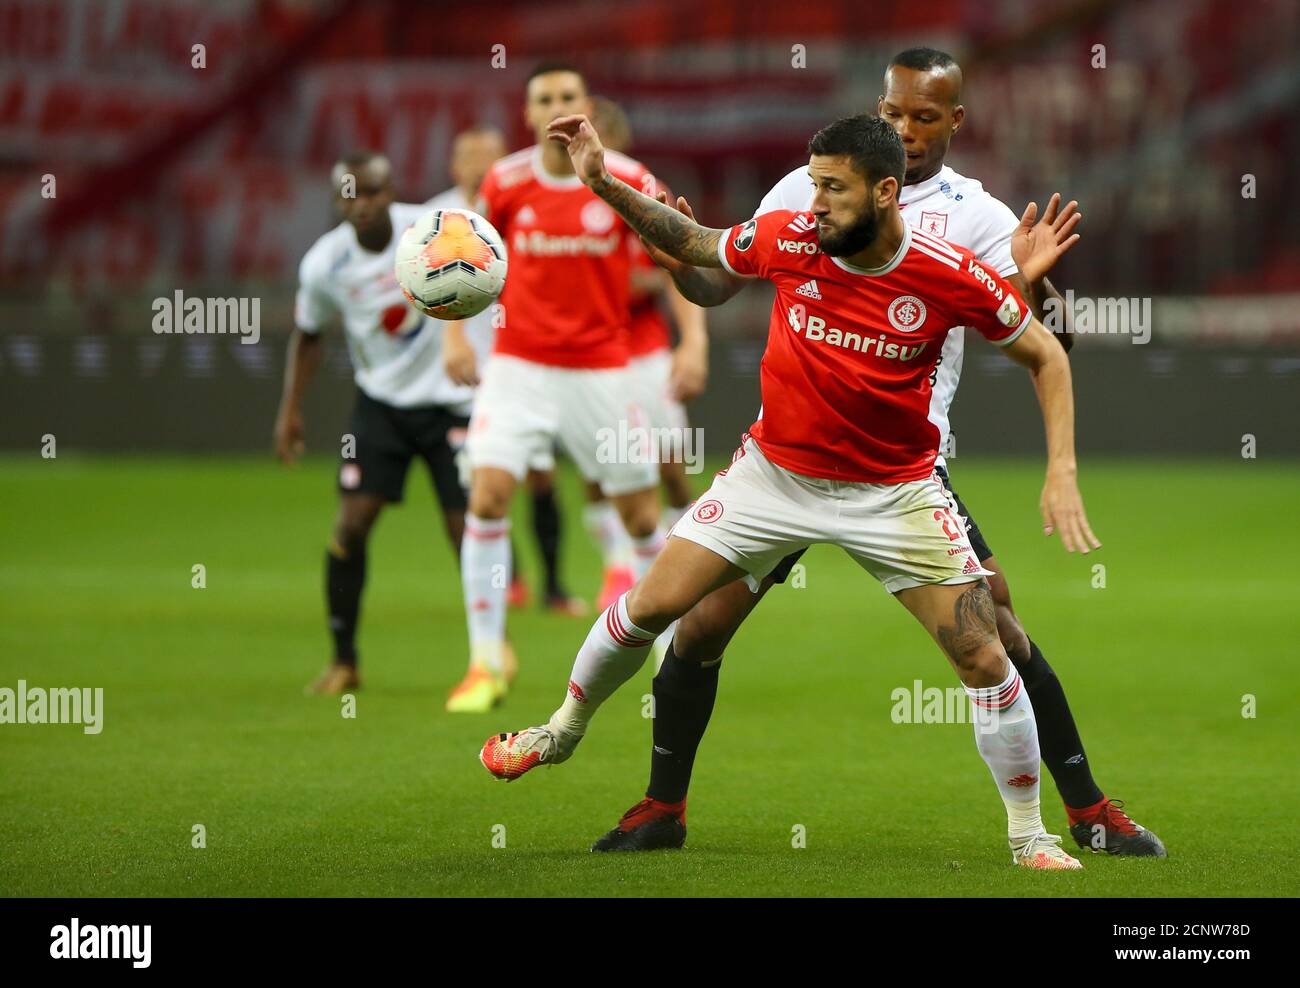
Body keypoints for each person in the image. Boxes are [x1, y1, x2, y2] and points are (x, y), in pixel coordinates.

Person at [482, 110, 1099, 870]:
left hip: (894, 491)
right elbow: (697, 245)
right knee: (653, 608)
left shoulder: (948, 274)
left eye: (832, 189)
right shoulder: (788, 236)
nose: (815, 203)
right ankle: (560, 732)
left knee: (984, 656)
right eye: (813, 185)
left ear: (884, 192)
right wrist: (604, 181)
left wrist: (1061, 471)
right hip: (773, 476)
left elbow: (1049, 356)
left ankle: (1029, 834)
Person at [589, 47, 1165, 859]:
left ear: (955, 121)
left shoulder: (981, 216)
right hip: (787, 457)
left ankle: (1088, 811)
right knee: (698, 627)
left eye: (925, 116)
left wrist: (1035, 287)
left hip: (900, 467)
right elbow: (720, 283)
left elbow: (1048, 342)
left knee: (996, 625)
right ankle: (660, 809)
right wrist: (680, 258)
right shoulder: (810, 184)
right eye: (895, 112)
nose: (905, 128)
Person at [440, 63, 668, 713]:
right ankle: (485, 661)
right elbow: (460, 261)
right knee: (486, 496)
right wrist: (454, 336)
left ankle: (667, 652)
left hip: (602, 369)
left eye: (569, 96)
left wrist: (696, 342)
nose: (558, 107)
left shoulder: (626, 178)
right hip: (519, 367)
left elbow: (676, 250)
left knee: (644, 518)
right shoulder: (505, 182)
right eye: (545, 99)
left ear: (587, 107)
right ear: (528, 113)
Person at [277, 152, 511, 695]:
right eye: (351, 196)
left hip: (451, 404)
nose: (364, 205)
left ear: (392, 191)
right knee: (350, 527)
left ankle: (489, 653)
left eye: (375, 192)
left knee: (467, 533)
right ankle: (344, 660)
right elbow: (309, 334)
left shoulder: (428, 231)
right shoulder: (323, 265)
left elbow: (487, 257)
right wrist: (290, 409)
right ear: (337, 202)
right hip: (380, 406)